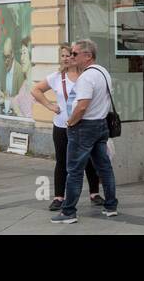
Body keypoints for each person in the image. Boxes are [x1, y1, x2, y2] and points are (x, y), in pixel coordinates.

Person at [50, 39, 118, 224]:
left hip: (84, 127)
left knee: (74, 171)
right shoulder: (103, 71)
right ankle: (111, 206)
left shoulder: (87, 77)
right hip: (100, 125)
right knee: (104, 167)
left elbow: (81, 107)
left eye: (74, 53)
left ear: (87, 56)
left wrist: (70, 122)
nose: (71, 57)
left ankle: (69, 212)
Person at [30, 43, 101, 212]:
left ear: (76, 56)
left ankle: (94, 193)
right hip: (62, 125)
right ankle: (58, 197)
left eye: (69, 55)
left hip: (83, 125)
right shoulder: (56, 77)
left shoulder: (87, 76)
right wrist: (50, 106)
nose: (66, 58)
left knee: (90, 160)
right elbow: (36, 90)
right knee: (62, 161)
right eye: (63, 56)